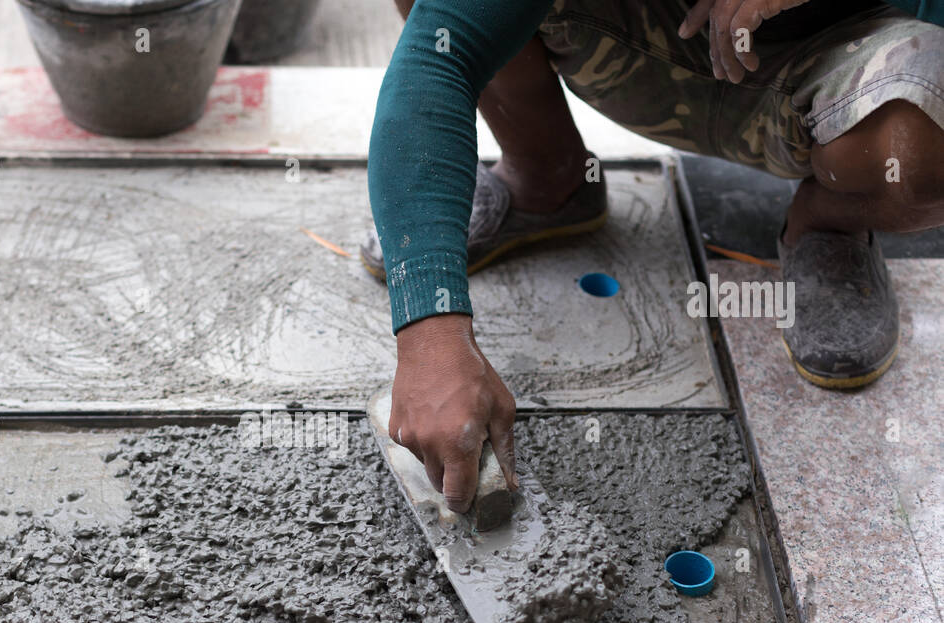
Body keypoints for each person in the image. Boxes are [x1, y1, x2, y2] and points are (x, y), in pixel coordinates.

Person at [366, 0, 944, 513]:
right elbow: (440, 55)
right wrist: (431, 332)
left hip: (846, 63)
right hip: (649, 43)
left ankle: (830, 221)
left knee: (926, 145)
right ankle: (546, 175)